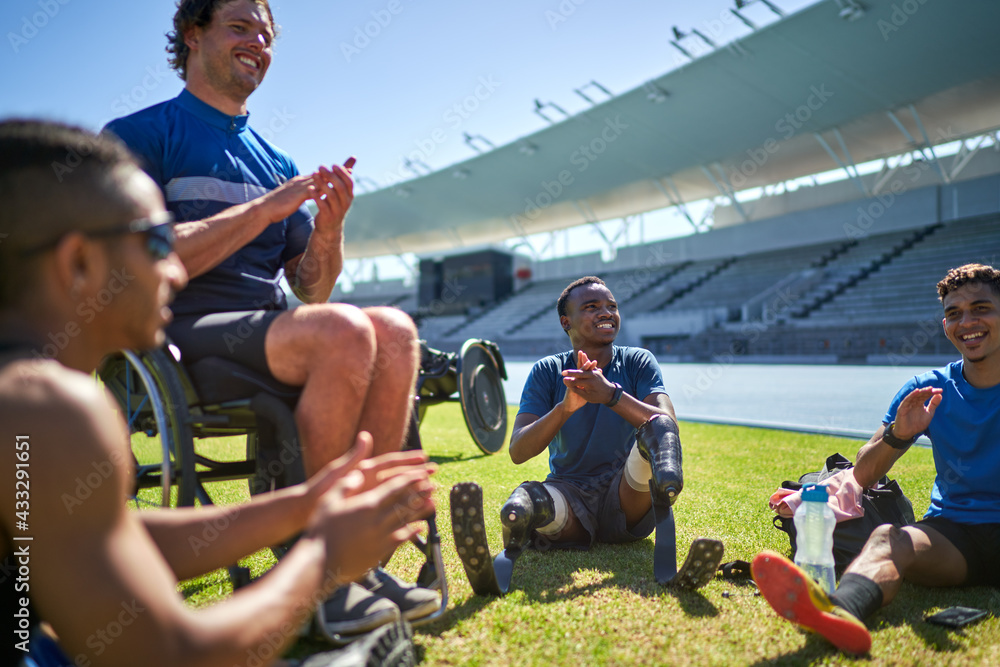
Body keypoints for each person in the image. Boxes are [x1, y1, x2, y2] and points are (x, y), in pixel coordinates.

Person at [0, 119, 435, 667]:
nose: (175, 272)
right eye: (158, 241)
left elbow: (99, 535)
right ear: (79, 263)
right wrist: (322, 560)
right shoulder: (44, 410)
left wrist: (305, 504)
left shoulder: (21, 403)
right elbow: (169, 655)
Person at [102, 0, 435, 637]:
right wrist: (260, 212)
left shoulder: (277, 161)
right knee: (341, 330)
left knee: (393, 329)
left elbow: (312, 289)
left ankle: (358, 565)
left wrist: (330, 230)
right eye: (240, 25)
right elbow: (142, 260)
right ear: (192, 35)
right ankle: (319, 570)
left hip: (272, 329)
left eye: (266, 32)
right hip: (174, 334)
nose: (258, 40)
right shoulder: (139, 135)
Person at [753, 263, 1000, 655]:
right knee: (887, 538)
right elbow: (863, 475)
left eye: (981, 308)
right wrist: (898, 434)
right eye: (954, 313)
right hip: (956, 535)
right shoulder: (926, 389)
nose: (966, 322)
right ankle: (839, 612)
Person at [453, 276, 722, 592]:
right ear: (567, 322)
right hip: (570, 497)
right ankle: (510, 530)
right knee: (526, 501)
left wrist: (610, 395)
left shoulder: (638, 360)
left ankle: (668, 488)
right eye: (592, 307)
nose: (606, 313)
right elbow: (518, 450)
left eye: (612, 306)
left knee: (658, 427)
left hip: (628, 496)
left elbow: (667, 424)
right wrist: (565, 408)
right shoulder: (546, 371)